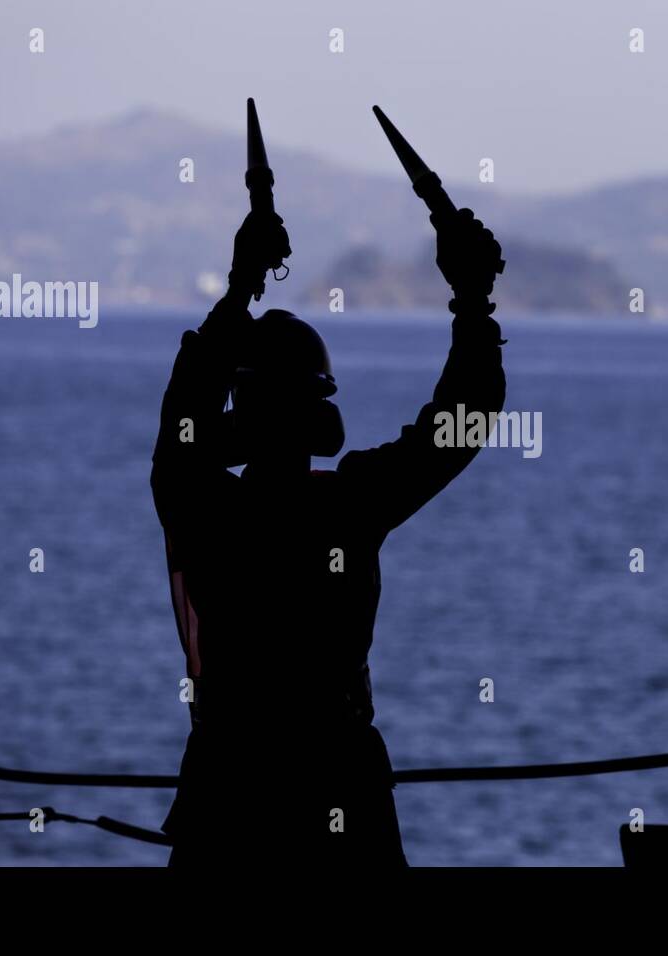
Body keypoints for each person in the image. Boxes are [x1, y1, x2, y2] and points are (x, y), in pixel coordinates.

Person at [151, 203, 506, 867]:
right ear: (320, 416)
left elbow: (181, 425)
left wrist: (241, 286)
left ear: (239, 414)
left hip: (225, 801)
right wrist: (472, 301)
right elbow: (463, 419)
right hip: (341, 798)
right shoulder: (351, 505)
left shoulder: (201, 504)